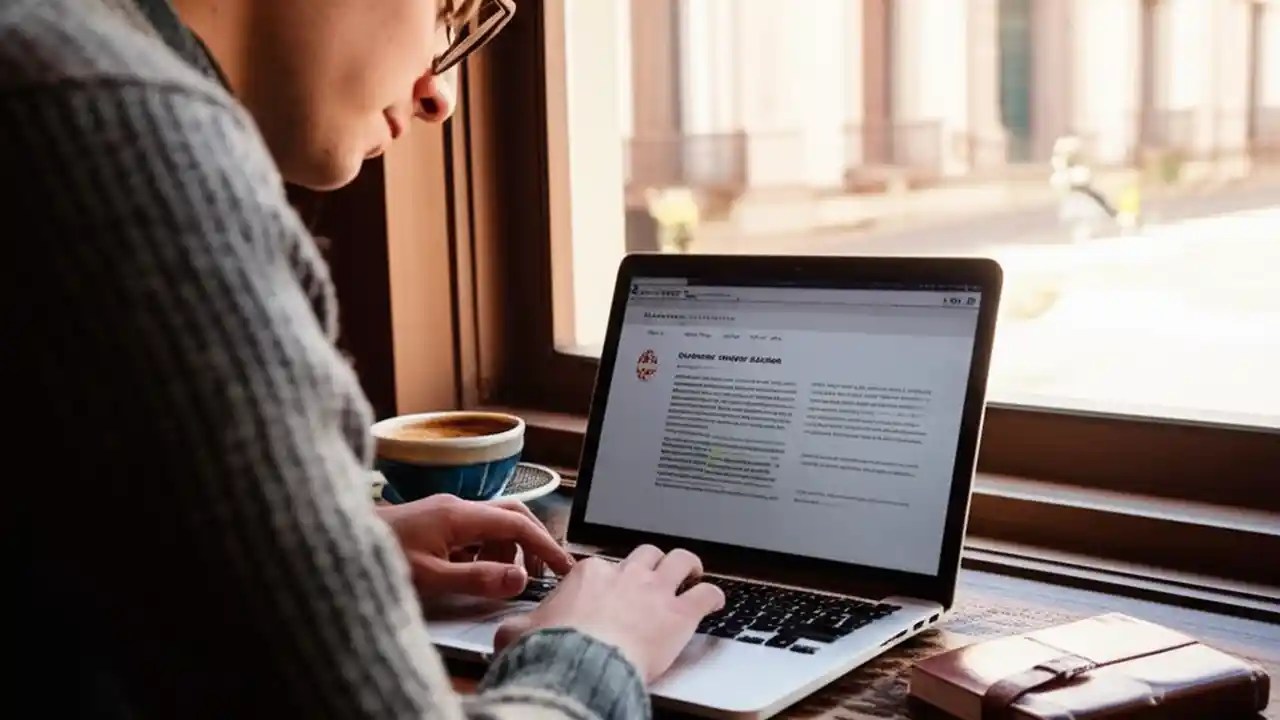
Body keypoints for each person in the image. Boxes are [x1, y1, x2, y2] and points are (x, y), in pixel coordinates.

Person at [0, 0, 724, 718]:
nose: (440, 94)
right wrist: (597, 649)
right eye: (448, 9)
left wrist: (319, 549)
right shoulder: (127, 132)